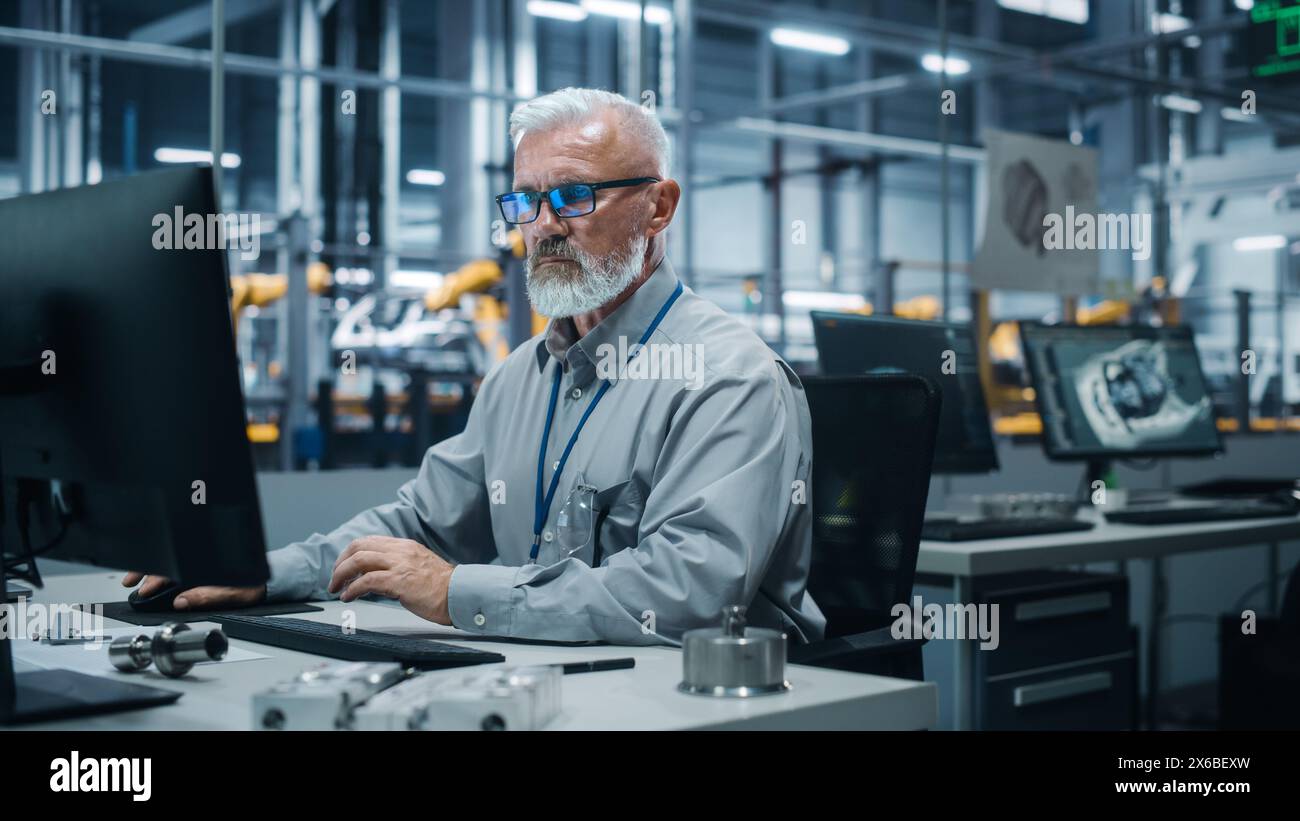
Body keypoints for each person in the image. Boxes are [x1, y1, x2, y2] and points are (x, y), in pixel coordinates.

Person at [123, 87, 824, 645]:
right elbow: (420, 522)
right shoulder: (519, 378)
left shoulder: (727, 378)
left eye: (575, 196)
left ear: (657, 207)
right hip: (565, 688)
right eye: (525, 201)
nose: (544, 224)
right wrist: (261, 571)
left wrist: (455, 592)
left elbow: (686, 595)